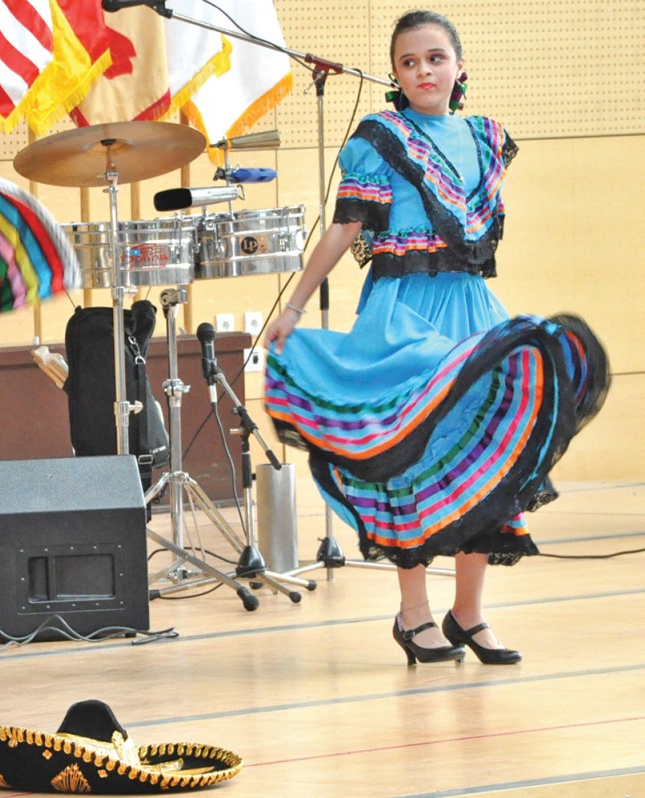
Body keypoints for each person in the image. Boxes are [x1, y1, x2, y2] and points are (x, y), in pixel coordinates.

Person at [263, 11, 608, 666]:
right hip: (403, 311)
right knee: (413, 461)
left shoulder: (486, 138)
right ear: (395, 77)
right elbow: (344, 228)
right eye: (407, 62)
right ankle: (412, 613)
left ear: (459, 66)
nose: (422, 70)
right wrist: (297, 304)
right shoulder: (380, 137)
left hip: (471, 307)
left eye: (434, 57)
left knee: (494, 458)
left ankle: (468, 614)